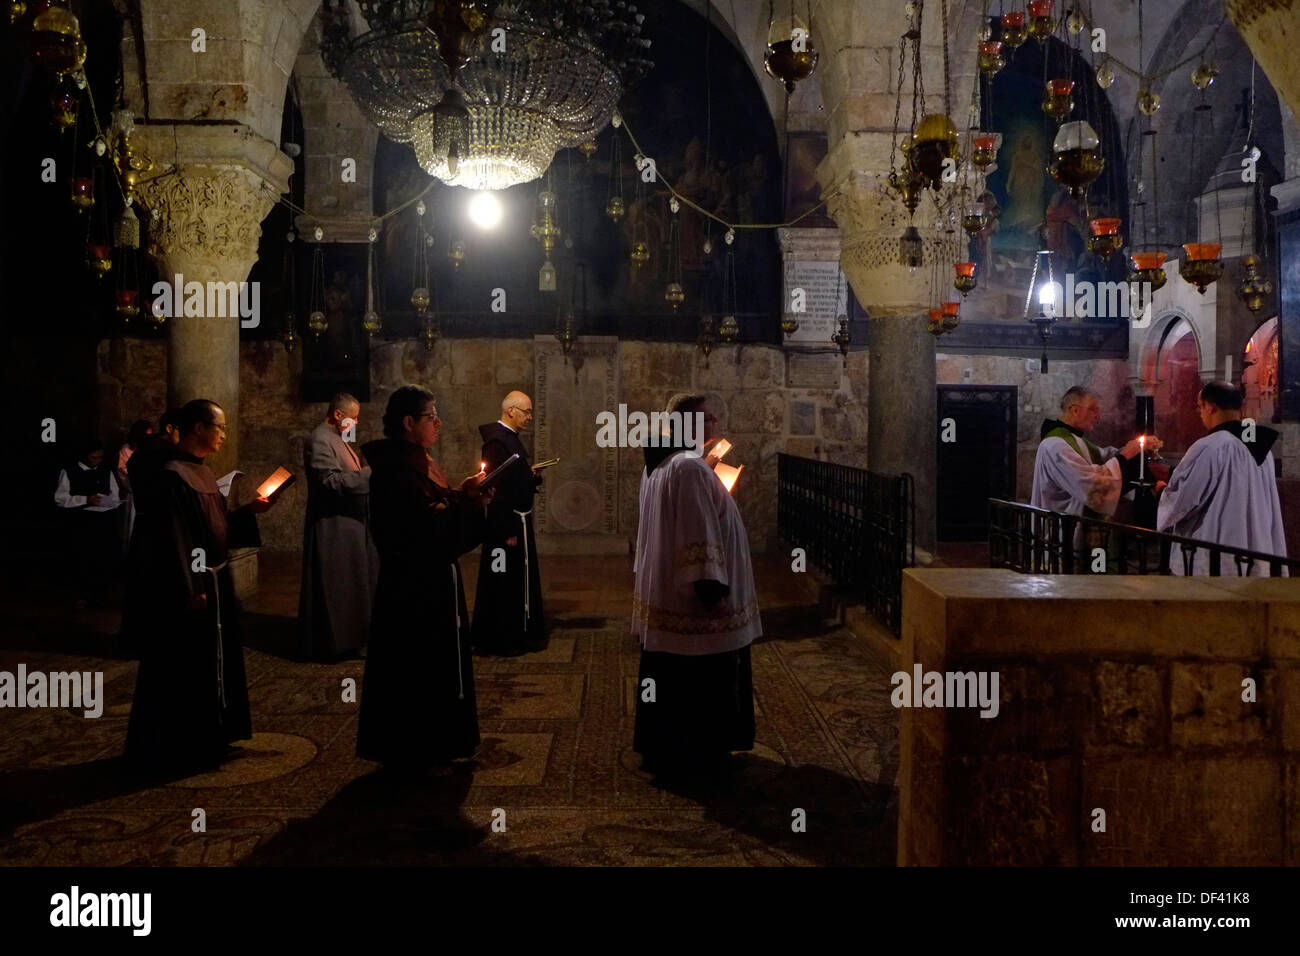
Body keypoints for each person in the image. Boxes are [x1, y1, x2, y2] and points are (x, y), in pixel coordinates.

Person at [124, 399, 274, 773]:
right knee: (187, 667)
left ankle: (216, 735)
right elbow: (176, 536)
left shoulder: (202, 472)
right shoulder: (172, 475)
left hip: (214, 578)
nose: (224, 434)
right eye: (219, 427)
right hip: (192, 586)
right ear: (197, 429)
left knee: (216, 662)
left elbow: (218, 523)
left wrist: (247, 513)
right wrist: (192, 586)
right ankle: (184, 745)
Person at [356, 386, 494, 771]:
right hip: (412, 588)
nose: (439, 422)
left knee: (436, 662)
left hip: (431, 580)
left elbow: (435, 505)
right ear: (408, 422)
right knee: (415, 667)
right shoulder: (395, 470)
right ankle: (415, 745)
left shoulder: (417, 462)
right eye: (431, 416)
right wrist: (464, 505)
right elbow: (419, 528)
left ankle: (438, 740)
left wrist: (463, 496)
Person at [632, 394, 761, 777]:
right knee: (700, 684)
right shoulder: (688, 469)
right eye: (708, 418)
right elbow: (697, 535)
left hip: (669, 597)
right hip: (694, 606)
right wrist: (711, 592)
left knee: (670, 678)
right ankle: (699, 759)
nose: (716, 422)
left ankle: (666, 750)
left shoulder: (666, 464)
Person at [1157, 381, 1287, 576]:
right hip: (1256, 548)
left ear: (1209, 407)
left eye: (1200, 407)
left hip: (1219, 552)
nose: (1200, 413)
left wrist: (1161, 492)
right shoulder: (1261, 447)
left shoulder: (1211, 447)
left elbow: (1186, 498)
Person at [299, 391, 379, 660]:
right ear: (337, 415)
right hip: (333, 527)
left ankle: (353, 638)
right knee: (337, 586)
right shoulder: (320, 439)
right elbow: (330, 482)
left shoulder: (339, 439)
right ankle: (335, 643)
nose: (356, 423)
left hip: (350, 525)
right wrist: (369, 474)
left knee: (352, 584)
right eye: (353, 418)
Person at [471, 390, 547, 656]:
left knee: (516, 579)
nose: (529, 417)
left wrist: (531, 477)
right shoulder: (495, 443)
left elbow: (515, 479)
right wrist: (506, 531)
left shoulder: (510, 440)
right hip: (506, 526)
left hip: (518, 522)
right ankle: (500, 636)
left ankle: (521, 630)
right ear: (510, 411)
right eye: (526, 411)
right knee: (502, 579)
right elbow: (495, 490)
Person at [1030, 386, 1156, 520]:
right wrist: (1125, 455)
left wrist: (1138, 447)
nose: (1098, 416)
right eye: (1093, 410)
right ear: (1075, 410)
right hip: (1061, 528)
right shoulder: (1055, 445)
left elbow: (1104, 456)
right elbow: (1090, 486)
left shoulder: (1075, 440)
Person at [53, 440, 122, 608]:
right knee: (82, 558)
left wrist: (110, 502)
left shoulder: (106, 471)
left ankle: (99, 595)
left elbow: (114, 494)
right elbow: (60, 499)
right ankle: (80, 594)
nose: (97, 461)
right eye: (93, 457)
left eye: (100, 458)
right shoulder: (69, 471)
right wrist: (85, 499)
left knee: (102, 559)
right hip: (81, 522)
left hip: (103, 522)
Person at [116, 419, 153, 552]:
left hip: (146, 493)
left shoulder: (148, 450)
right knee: (130, 527)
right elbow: (123, 471)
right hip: (132, 494)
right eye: (146, 435)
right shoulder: (126, 450)